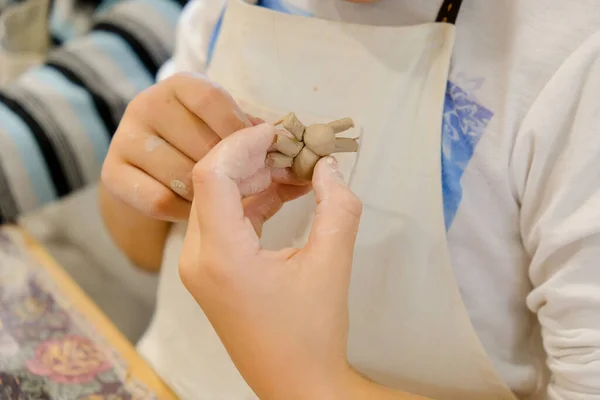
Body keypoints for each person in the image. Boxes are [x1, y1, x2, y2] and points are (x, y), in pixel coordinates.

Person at [100, 0, 600, 398]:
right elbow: (142, 249)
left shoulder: (572, 58)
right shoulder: (226, 10)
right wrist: (143, 167)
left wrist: (310, 382)